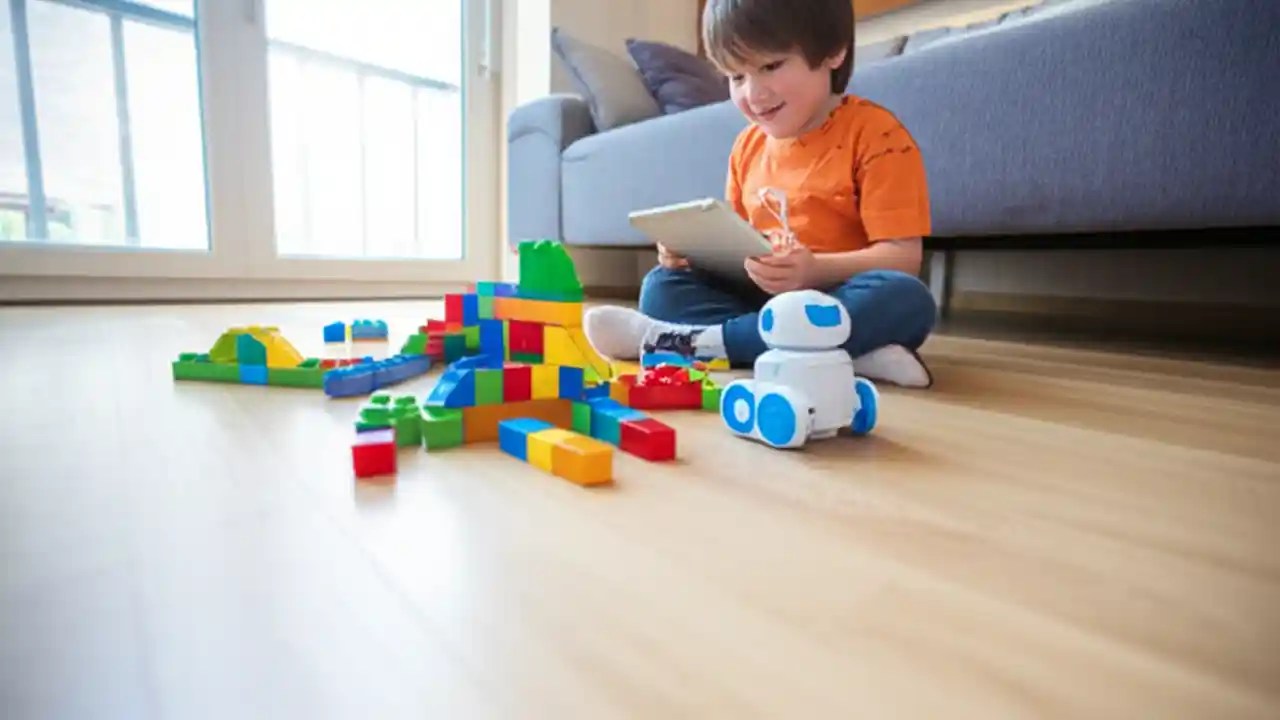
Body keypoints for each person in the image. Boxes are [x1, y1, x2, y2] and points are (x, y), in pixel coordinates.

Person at [583, 0, 939, 388]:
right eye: (736, 77)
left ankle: (700, 344)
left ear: (834, 51)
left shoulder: (877, 135)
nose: (753, 94)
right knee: (660, 288)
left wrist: (815, 269)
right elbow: (737, 246)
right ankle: (847, 355)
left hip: (837, 297)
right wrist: (693, 256)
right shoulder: (746, 147)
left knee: (907, 298)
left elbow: (903, 259)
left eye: (770, 66)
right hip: (764, 301)